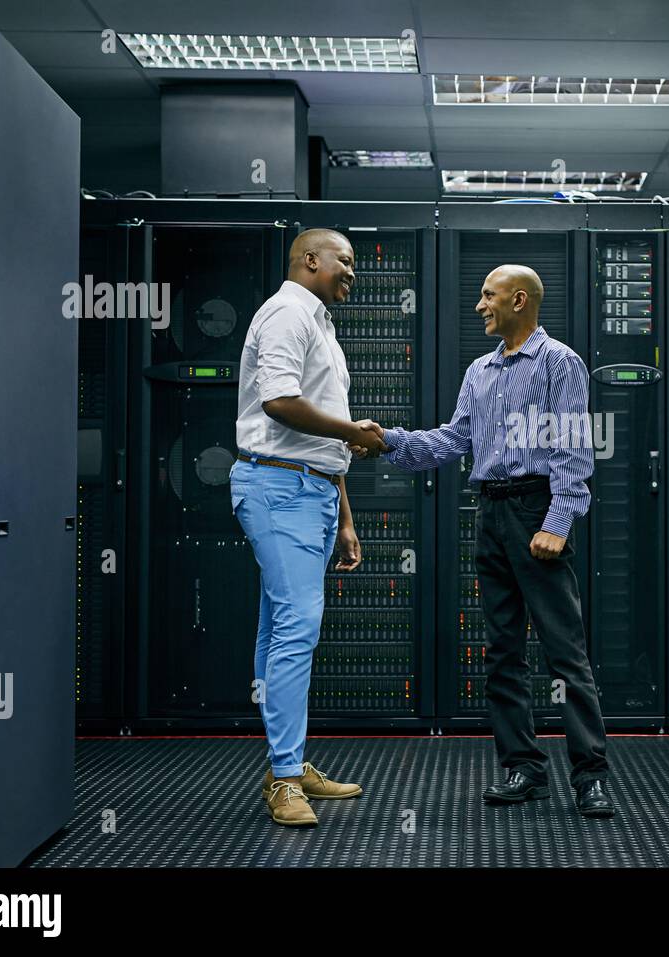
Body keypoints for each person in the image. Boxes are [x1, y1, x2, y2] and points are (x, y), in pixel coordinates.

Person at [352, 264, 615, 818]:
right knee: (502, 653)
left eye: (488, 295)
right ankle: (523, 769)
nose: (480, 306)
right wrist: (388, 440)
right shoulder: (480, 370)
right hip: (491, 512)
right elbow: (453, 439)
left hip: (535, 509)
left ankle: (591, 776)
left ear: (519, 301)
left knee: (566, 654)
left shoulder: (559, 363)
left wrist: (558, 522)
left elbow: (573, 453)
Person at [229, 228, 386, 827]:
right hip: (276, 486)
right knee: (298, 625)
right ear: (310, 260)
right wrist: (353, 433)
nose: (352, 272)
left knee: (280, 626)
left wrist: (344, 516)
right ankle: (286, 778)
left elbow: (321, 435)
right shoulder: (286, 315)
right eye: (344, 262)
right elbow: (279, 403)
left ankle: (285, 764)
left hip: (311, 490)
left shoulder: (321, 325)